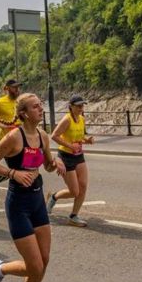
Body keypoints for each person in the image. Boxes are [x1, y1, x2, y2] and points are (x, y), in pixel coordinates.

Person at [0, 93, 63, 282]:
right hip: (19, 205)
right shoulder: (13, 138)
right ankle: (0, 268)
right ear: (24, 113)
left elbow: (46, 165)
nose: (41, 109)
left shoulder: (43, 136)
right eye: (36, 107)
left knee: (43, 260)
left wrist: (56, 162)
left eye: (41, 106)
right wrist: (13, 173)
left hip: (37, 201)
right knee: (34, 265)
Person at [48, 95, 94, 228]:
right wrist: (70, 146)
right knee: (74, 191)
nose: (81, 108)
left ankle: (73, 216)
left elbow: (79, 137)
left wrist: (87, 140)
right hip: (66, 157)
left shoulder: (81, 119)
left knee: (83, 186)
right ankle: (53, 197)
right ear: (71, 107)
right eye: (78, 106)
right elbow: (54, 136)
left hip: (78, 156)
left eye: (82, 106)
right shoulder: (66, 120)